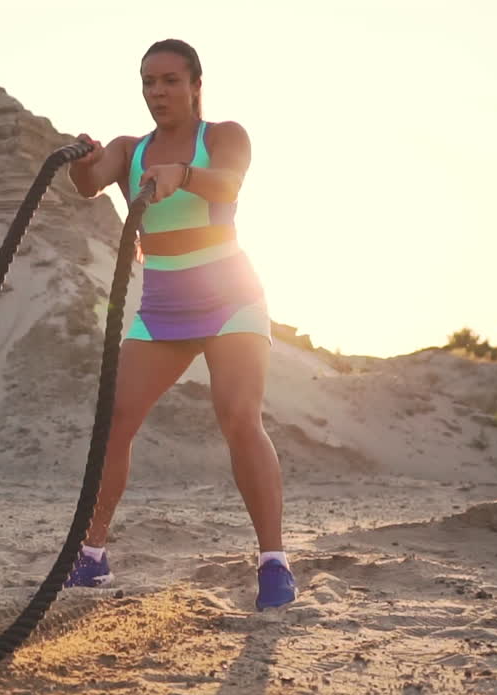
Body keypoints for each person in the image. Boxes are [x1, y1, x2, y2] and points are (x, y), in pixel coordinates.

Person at [62, 38, 296, 611]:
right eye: (148, 82)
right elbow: (88, 185)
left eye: (169, 80)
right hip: (163, 306)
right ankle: (92, 558)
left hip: (230, 298)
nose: (157, 92)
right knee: (116, 423)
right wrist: (81, 161)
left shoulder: (223, 136)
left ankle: (274, 562)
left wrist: (183, 174)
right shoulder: (130, 148)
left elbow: (228, 184)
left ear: (195, 85)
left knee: (239, 418)